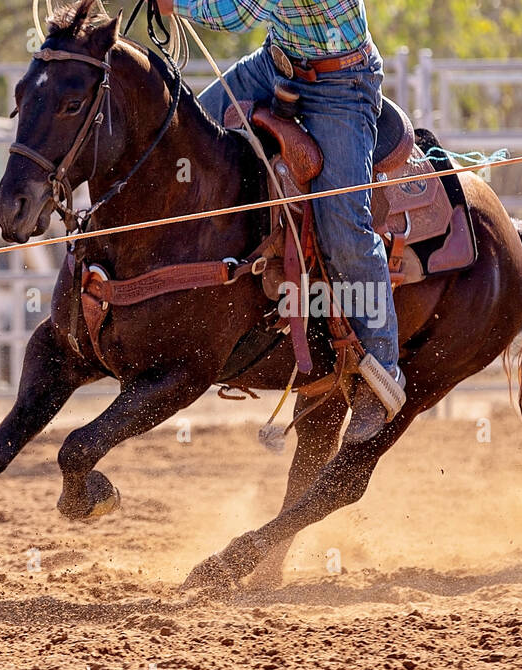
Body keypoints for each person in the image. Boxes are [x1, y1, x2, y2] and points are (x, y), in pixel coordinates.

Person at [159, 0, 406, 442]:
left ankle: (381, 376)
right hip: (275, 64)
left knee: (346, 228)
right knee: (189, 143)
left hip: (341, 86)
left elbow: (237, 14)